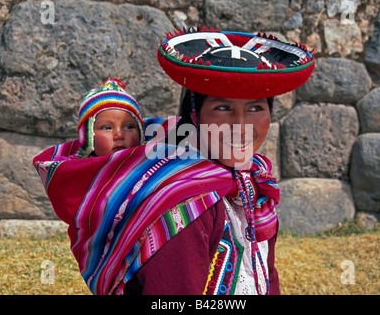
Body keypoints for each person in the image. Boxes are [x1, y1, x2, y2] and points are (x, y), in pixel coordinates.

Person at [33, 27, 314, 295]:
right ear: (195, 114)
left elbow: (267, 276)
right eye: (223, 107)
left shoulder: (254, 182)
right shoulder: (185, 202)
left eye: (255, 108)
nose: (240, 125)